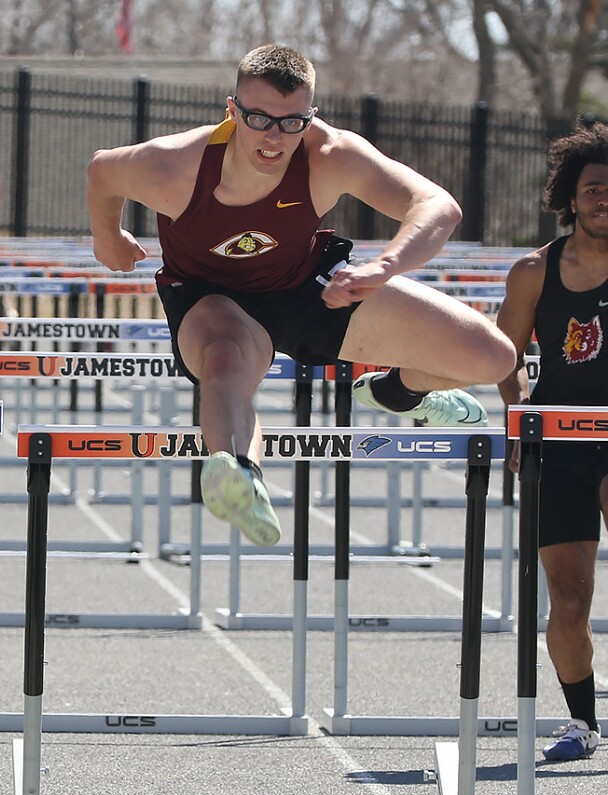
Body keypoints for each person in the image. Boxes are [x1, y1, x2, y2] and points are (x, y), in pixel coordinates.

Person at [86, 43, 515, 547]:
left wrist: (385, 266)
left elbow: (438, 205)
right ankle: (242, 477)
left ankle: (396, 392)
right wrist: (107, 237)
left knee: (494, 357)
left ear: (311, 116)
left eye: (292, 123)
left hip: (312, 288)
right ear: (232, 111)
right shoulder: (174, 168)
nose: (274, 138)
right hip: (211, 297)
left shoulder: (330, 155)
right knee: (224, 358)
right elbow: (101, 170)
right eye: (260, 119)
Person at [495, 122, 608, 762]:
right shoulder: (534, 272)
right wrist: (518, 420)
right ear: (571, 197)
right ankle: (582, 723)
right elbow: (503, 356)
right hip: (558, 440)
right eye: (593, 189)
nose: (604, 200)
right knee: (567, 599)